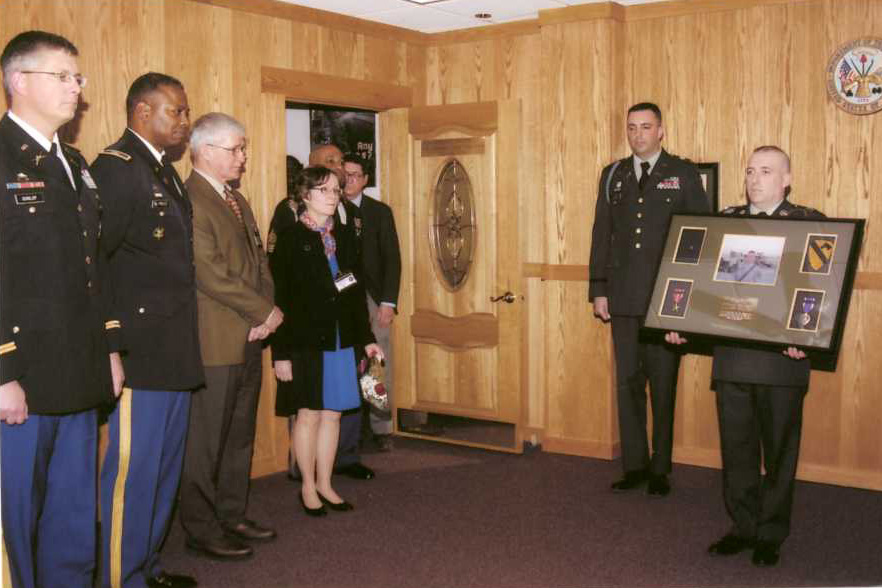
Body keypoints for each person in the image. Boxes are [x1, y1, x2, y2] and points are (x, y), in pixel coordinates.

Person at [0, 30, 124, 588]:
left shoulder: (74, 163)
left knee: (73, 516)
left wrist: (111, 350)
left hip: (80, 369)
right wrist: (2, 373)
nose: (77, 88)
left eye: (79, 78)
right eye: (64, 76)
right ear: (18, 81)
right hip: (23, 375)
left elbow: (95, 266)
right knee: (16, 521)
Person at [666, 145, 823, 567]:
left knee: (778, 453)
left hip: (781, 362)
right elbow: (701, 283)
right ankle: (743, 526)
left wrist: (804, 337)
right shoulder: (726, 222)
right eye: (751, 171)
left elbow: (815, 290)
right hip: (733, 357)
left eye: (767, 172)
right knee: (736, 451)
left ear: (787, 179)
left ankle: (771, 532)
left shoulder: (810, 223)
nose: (755, 179)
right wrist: (680, 318)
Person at [91, 72, 203, 588]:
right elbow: (97, 264)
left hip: (173, 348)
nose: (183, 121)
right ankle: (120, 577)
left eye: (183, 112)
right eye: (174, 111)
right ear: (142, 112)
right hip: (140, 351)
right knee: (132, 478)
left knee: (162, 473)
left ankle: (146, 566)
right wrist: (113, 344)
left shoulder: (162, 171)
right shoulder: (117, 170)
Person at [588, 102, 708, 497]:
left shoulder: (683, 173)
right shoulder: (614, 175)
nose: (638, 134)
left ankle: (660, 468)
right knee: (627, 383)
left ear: (661, 131)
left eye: (646, 127)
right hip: (622, 298)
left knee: (663, 383)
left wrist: (688, 300)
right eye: (632, 128)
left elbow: (699, 237)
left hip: (664, 300)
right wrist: (599, 289)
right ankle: (635, 464)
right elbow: (601, 233)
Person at [178, 113, 282, 561]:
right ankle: (202, 529)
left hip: (250, 334)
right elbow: (209, 273)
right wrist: (262, 311)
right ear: (206, 151)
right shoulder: (191, 199)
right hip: (215, 340)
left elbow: (260, 261)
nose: (243, 157)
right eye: (236, 149)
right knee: (206, 441)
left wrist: (266, 314)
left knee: (239, 433)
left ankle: (231, 513)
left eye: (243, 148)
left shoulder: (237, 199)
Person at [268, 165, 383, 516]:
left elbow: (353, 292)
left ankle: (325, 483)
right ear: (305, 196)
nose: (334, 196)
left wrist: (367, 340)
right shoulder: (290, 238)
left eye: (336, 190)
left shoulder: (345, 237)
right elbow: (281, 300)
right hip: (305, 341)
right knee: (309, 414)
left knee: (333, 415)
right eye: (325, 190)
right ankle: (306, 486)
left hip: (341, 340)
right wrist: (281, 354)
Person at [342, 154, 401, 451]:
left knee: (375, 366)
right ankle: (348, 429)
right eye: (345, 174)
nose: (349, 179)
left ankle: (381, 426)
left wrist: (387, 302)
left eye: (355, 174)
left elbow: (392, 259)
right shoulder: (330, 207)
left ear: (366, 179)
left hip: (374, 299)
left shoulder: (379, 212)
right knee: (346, 363)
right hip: (343, 298)